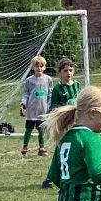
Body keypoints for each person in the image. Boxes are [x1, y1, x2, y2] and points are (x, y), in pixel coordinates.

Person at [41, 57, 80, 190]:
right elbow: (54, 108)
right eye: (65, 71)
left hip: (77, 122)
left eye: (70, 70)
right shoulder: (58, 89)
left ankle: (74, 174)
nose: (68, 73)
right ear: (59, 73)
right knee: (61, 149)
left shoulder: (77, 85)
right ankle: (50, 178)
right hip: (65, 123)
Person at [19, 55, 52, 156]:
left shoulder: (48, 79)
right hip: (31, 110)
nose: (39, 68)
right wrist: (23, 104)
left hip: (43, 110)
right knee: (28, 129)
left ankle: (42, 148)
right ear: (33, 67)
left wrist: (50, 107)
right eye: (37, 66)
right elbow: (26, 93)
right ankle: (24, 148)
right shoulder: (29, 80)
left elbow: (50, 94)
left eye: (41, 66)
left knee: (41, 129)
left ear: (44, 67)